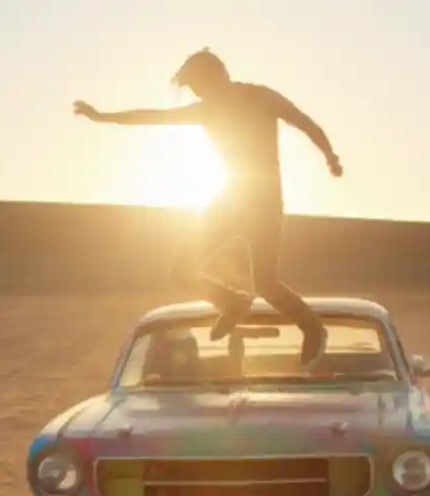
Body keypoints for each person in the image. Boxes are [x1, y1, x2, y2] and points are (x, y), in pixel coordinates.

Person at [73, 47, 342, 370]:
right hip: (231, 199)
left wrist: (330, 156)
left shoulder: (261, 97)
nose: (201, 95)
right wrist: (101, 116)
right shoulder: (205, 110)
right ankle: (232, 301)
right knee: (182, 269)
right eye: (197, 91)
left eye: (202, 87)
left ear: (220, 76)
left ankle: (311, 326)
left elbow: (305, 123)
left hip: (264, 201)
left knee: (267, 283)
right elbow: (151, 117)